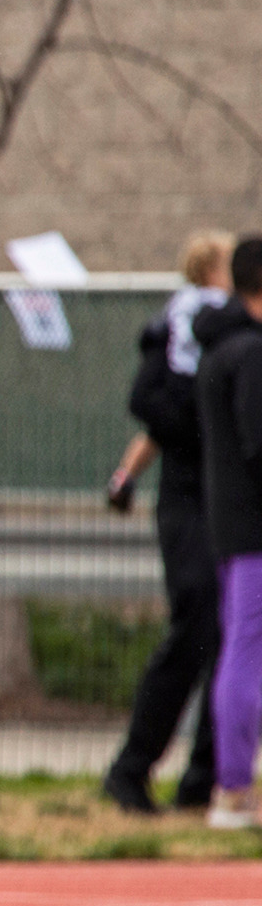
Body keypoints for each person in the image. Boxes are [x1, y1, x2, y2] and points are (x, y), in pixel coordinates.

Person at [100, 230, 234, 813]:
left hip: (230, 500)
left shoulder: (233, 337)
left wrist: (128, 472)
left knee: (234, 636)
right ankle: (133, 766)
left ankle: (202, 779)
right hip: (189, 497)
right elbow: (156, 412)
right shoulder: (181, 332)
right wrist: (129, 475)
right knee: (197, 618)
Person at [193, 236, 262, 829]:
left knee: (244, 650)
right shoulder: (250, 355)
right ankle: (233, 789)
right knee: (246, 652)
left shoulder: (220, 350)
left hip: (231, 527)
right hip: (253, 533)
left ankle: (236, 785)